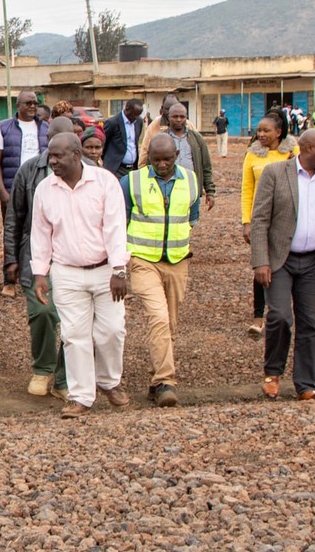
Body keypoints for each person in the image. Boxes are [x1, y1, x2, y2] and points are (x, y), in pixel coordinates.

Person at [32, 130, 129, 417]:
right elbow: (40, 234)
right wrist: (40, 273)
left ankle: (110, 382)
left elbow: (114, 227)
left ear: (77, 154)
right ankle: (81, 396)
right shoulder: (45, 189)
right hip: (66, 272)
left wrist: (118, 269)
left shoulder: (104, 182)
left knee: (112, 331)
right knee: (74, 335)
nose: (53, 161)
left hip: (105, 271)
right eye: (50, 155)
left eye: (58, 155)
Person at [251, 128, 315, 402]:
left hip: (314, 262)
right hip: (280, 260)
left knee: (312, 323)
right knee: (280, 316)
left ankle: (306, 384)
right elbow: (259, 219)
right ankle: (272, 372)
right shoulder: (275, 174)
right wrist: (260, 260)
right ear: (308, 149)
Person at [123, 132, 199, 406]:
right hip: (143, 260)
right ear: (148, 158)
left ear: (176, 156)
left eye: (167, 159)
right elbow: (120, 220)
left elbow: (192, 216)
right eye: (156, 160)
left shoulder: (190, 180)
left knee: (171, 323)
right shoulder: (131, 182)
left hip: (178, 261)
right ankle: (167, 381)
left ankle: (156, 380)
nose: (162, 164)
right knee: (159, 318)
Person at [12, 116, 75, 400]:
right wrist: (10, 261)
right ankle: (43, 368)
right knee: (43, 312)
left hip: (75, 255)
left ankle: (64, 378)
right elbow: (14, 218)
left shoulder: (93, 174)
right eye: (51, 139)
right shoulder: (29, 171)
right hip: (36, 254)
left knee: (75, 318)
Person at [239, 113, 297, 337]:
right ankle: (258, 318)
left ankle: (283, 314)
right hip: (261, 221)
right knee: (260, 266)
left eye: (266, 131)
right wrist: (247, 221)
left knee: (287, 265)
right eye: (259, 131)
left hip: (287, 220)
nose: (261, 134)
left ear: (279, 132)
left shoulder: (292, 153)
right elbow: (247, 189)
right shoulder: (252, 155)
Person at [0, 92, 53, 297]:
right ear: (18, 105)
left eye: (35, 103)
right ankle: (9, 279)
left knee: (40, 231)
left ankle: (37, 274)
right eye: (28, 103)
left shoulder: (45, 128)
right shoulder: (5, 127)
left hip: (40, 189)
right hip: (12, 188)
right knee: (13, 232)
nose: (32, 106)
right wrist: (1, 188)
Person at [140, 100, 216, 209]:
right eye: (175, 117)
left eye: (182, 117)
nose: (179, 120)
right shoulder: (160, 139)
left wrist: (210, 192)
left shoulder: (196, 139)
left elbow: (206, 167)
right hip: (165, 190)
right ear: (168, 117)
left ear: (186, 118)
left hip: (191, 190)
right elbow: (149, 166)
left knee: (190, 222)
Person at [102, 98, 145, 179]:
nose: (136, 117)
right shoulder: (113, 122)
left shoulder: (138, 122)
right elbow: (103, 143)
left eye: (138, 115)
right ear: (127, 108)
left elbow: (134, 144)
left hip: (132, 169)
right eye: (134, 114)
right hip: (116, 168)